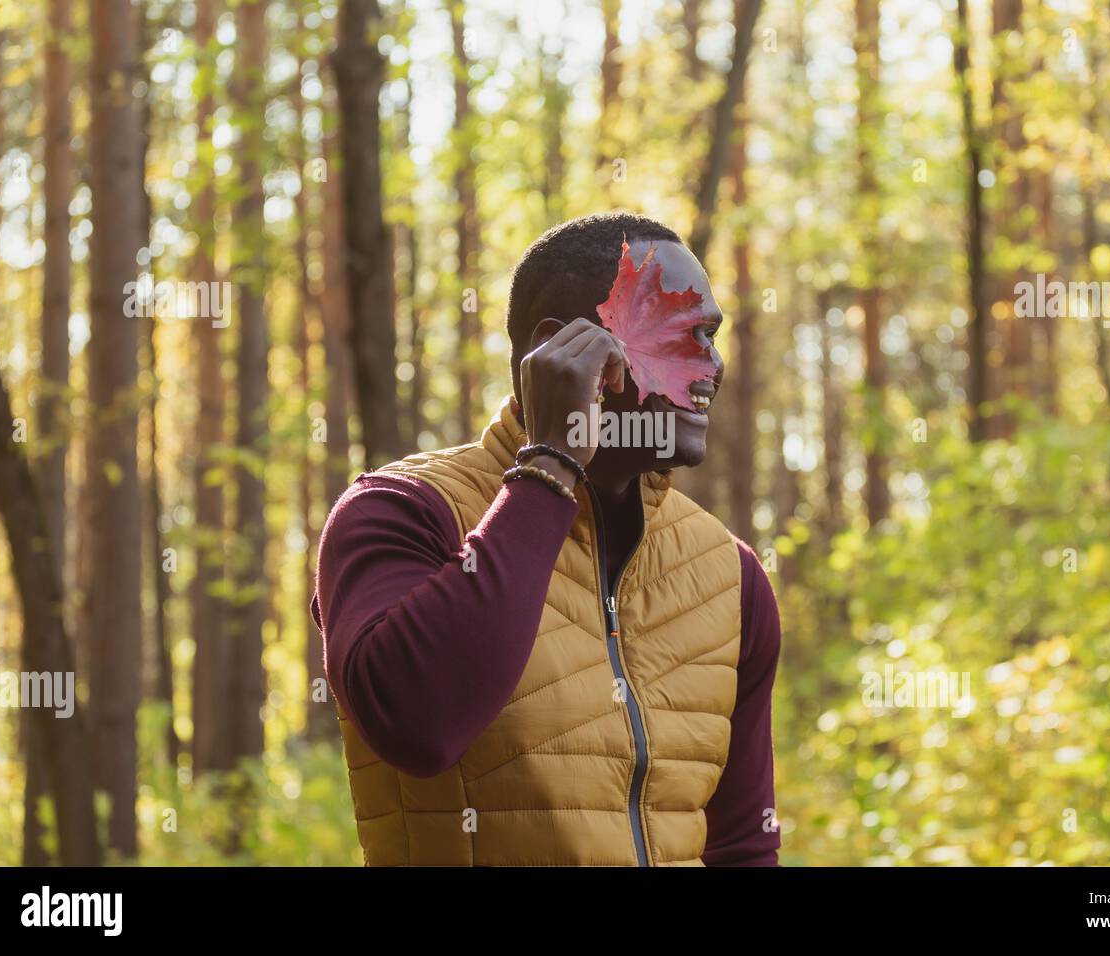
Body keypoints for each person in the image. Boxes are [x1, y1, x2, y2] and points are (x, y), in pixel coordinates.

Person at [312, 211, 781, 866]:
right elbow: (417, 725)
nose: (713, 364)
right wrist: (550, 465)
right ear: (561, 350)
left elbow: (741, 844)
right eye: (683, 334)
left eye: (713, 336)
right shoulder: (402, 512)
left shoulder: (730, 574)